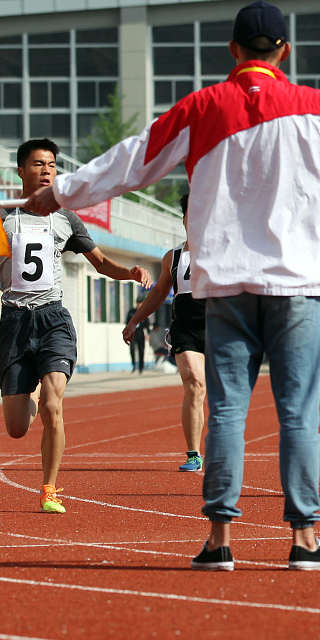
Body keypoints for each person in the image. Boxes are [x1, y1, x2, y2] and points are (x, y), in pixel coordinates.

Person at [25, 1, 320, 568]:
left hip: (224, 284)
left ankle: (218, 541)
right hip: (296, 284)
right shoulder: (316, 107)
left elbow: (131, 161)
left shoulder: (201, 107)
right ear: (285, 51)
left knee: (227, 412)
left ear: (232, 50)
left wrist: (58, 194)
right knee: (298, 414)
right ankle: (304, 540)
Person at [0, 138, 153, 514]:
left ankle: (49, 487)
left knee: (53, 404)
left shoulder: (65, 216)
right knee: (16, 428)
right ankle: (23, 388)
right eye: (37, 164)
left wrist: (128, 273)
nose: (46, 170)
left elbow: (99, 262)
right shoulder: (2, 216)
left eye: (51, 164)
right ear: (19, 170)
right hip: (14, 322)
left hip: (53, 320)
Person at [123, 194, 207, 472]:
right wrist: (134, 321)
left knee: (220, 391)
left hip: (220, 328)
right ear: (184, 220)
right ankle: (194, 453)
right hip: (186, 329)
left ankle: (223, 446)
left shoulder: (224, 251)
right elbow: (159, 292)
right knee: (194, 384)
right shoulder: (174, 257)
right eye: (190, 215)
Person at [126, 297, 148, 373]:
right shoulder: (132, 312)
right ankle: (134, 365)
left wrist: (148, 334)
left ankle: (141, 367)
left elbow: (147, 324)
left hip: (140, 333)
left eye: (140, 303)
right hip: (133, 333)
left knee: (141, 350)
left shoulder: (144, 312)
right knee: (132, 349)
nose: (139, 304)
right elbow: (127, 322)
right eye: (138, 303)